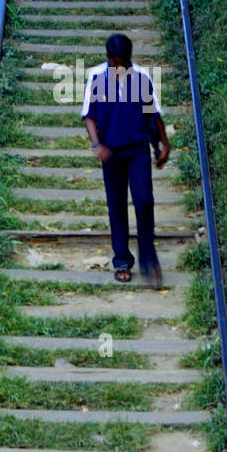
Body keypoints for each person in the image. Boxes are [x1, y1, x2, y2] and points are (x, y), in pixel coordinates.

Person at [81, 33, 171, 287]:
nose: (118, 67)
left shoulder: (142, 77)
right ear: (108, 58)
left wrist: (165, 145)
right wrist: (97, 144)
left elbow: (154, 114)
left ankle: (149, 260)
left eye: (122, 62)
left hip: (137, 149)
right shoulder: (97, 77)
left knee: (144, 202)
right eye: (114, 62)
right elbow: (88, 115)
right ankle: (122, 259)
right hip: (110, 150)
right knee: (117, 205)